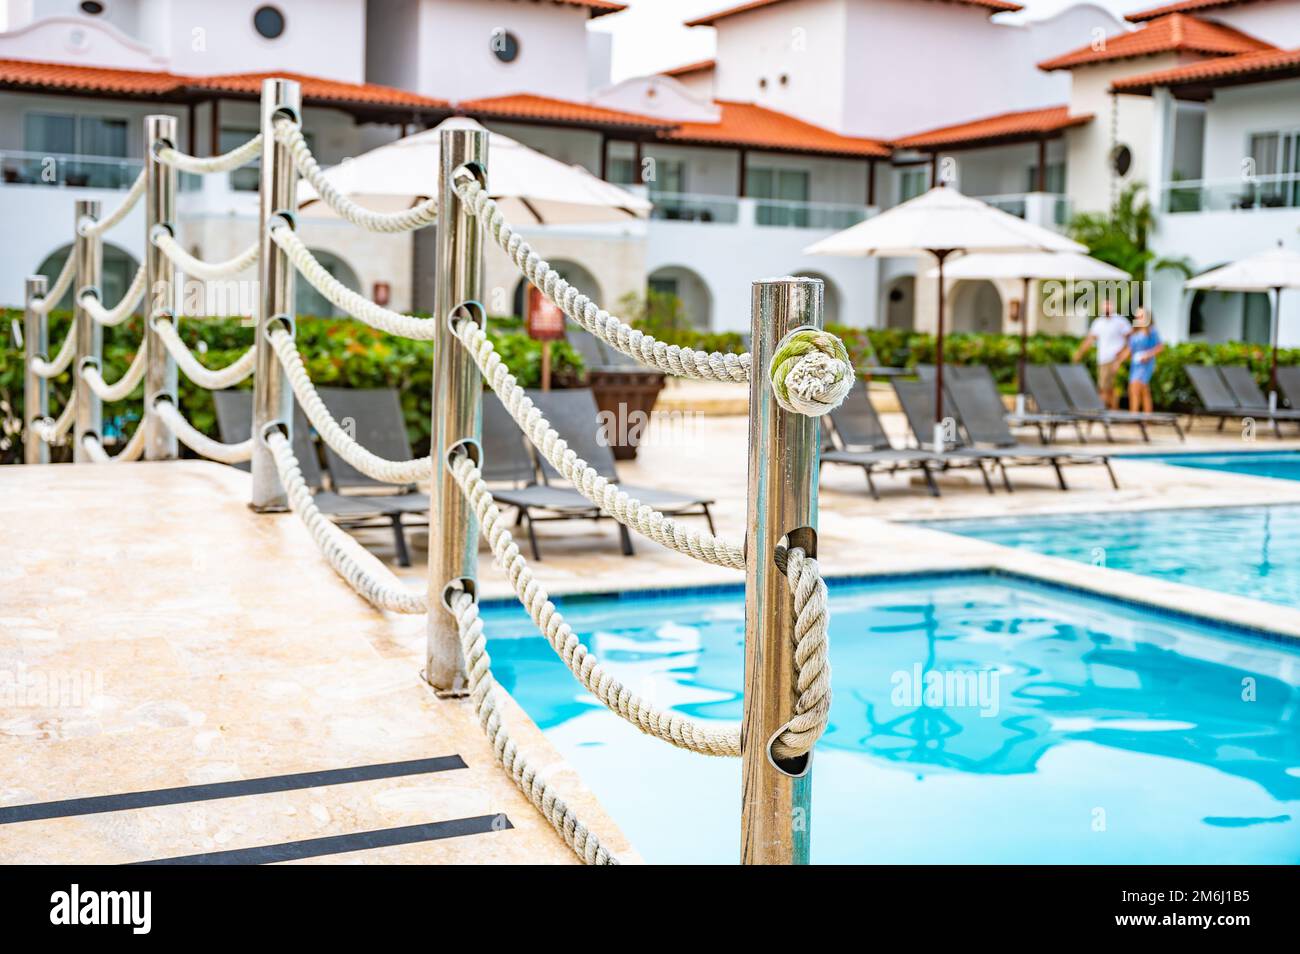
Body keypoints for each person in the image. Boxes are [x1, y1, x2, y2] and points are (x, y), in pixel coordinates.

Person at [1073, 300, 1132, 410]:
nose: (1107, 308)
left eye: (1108, 305)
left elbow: (1130, 339)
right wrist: (1079, 353)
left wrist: (1123, 354)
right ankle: (1107, 411)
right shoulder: (1098, 322)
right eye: (1105, 306)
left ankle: (1112, 411)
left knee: (1113, 388)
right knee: (1104, 388)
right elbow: (1089, 339)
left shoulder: (1120, 321)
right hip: (1102, 360)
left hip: (1115, 360)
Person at [1123, 308, 1164, 414]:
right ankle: (1146, 416)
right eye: (1137, 316)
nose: (1138, 318)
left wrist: (1148, 355)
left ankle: (1134, 415)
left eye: (1141, 316)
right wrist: (1119, 360)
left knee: (1135, 388)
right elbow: (1130, 350)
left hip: (1146, 364)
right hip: (1135, 365)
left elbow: (1160, 347)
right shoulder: (1134, 332)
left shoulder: (1151, 331)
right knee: (1143, 390)